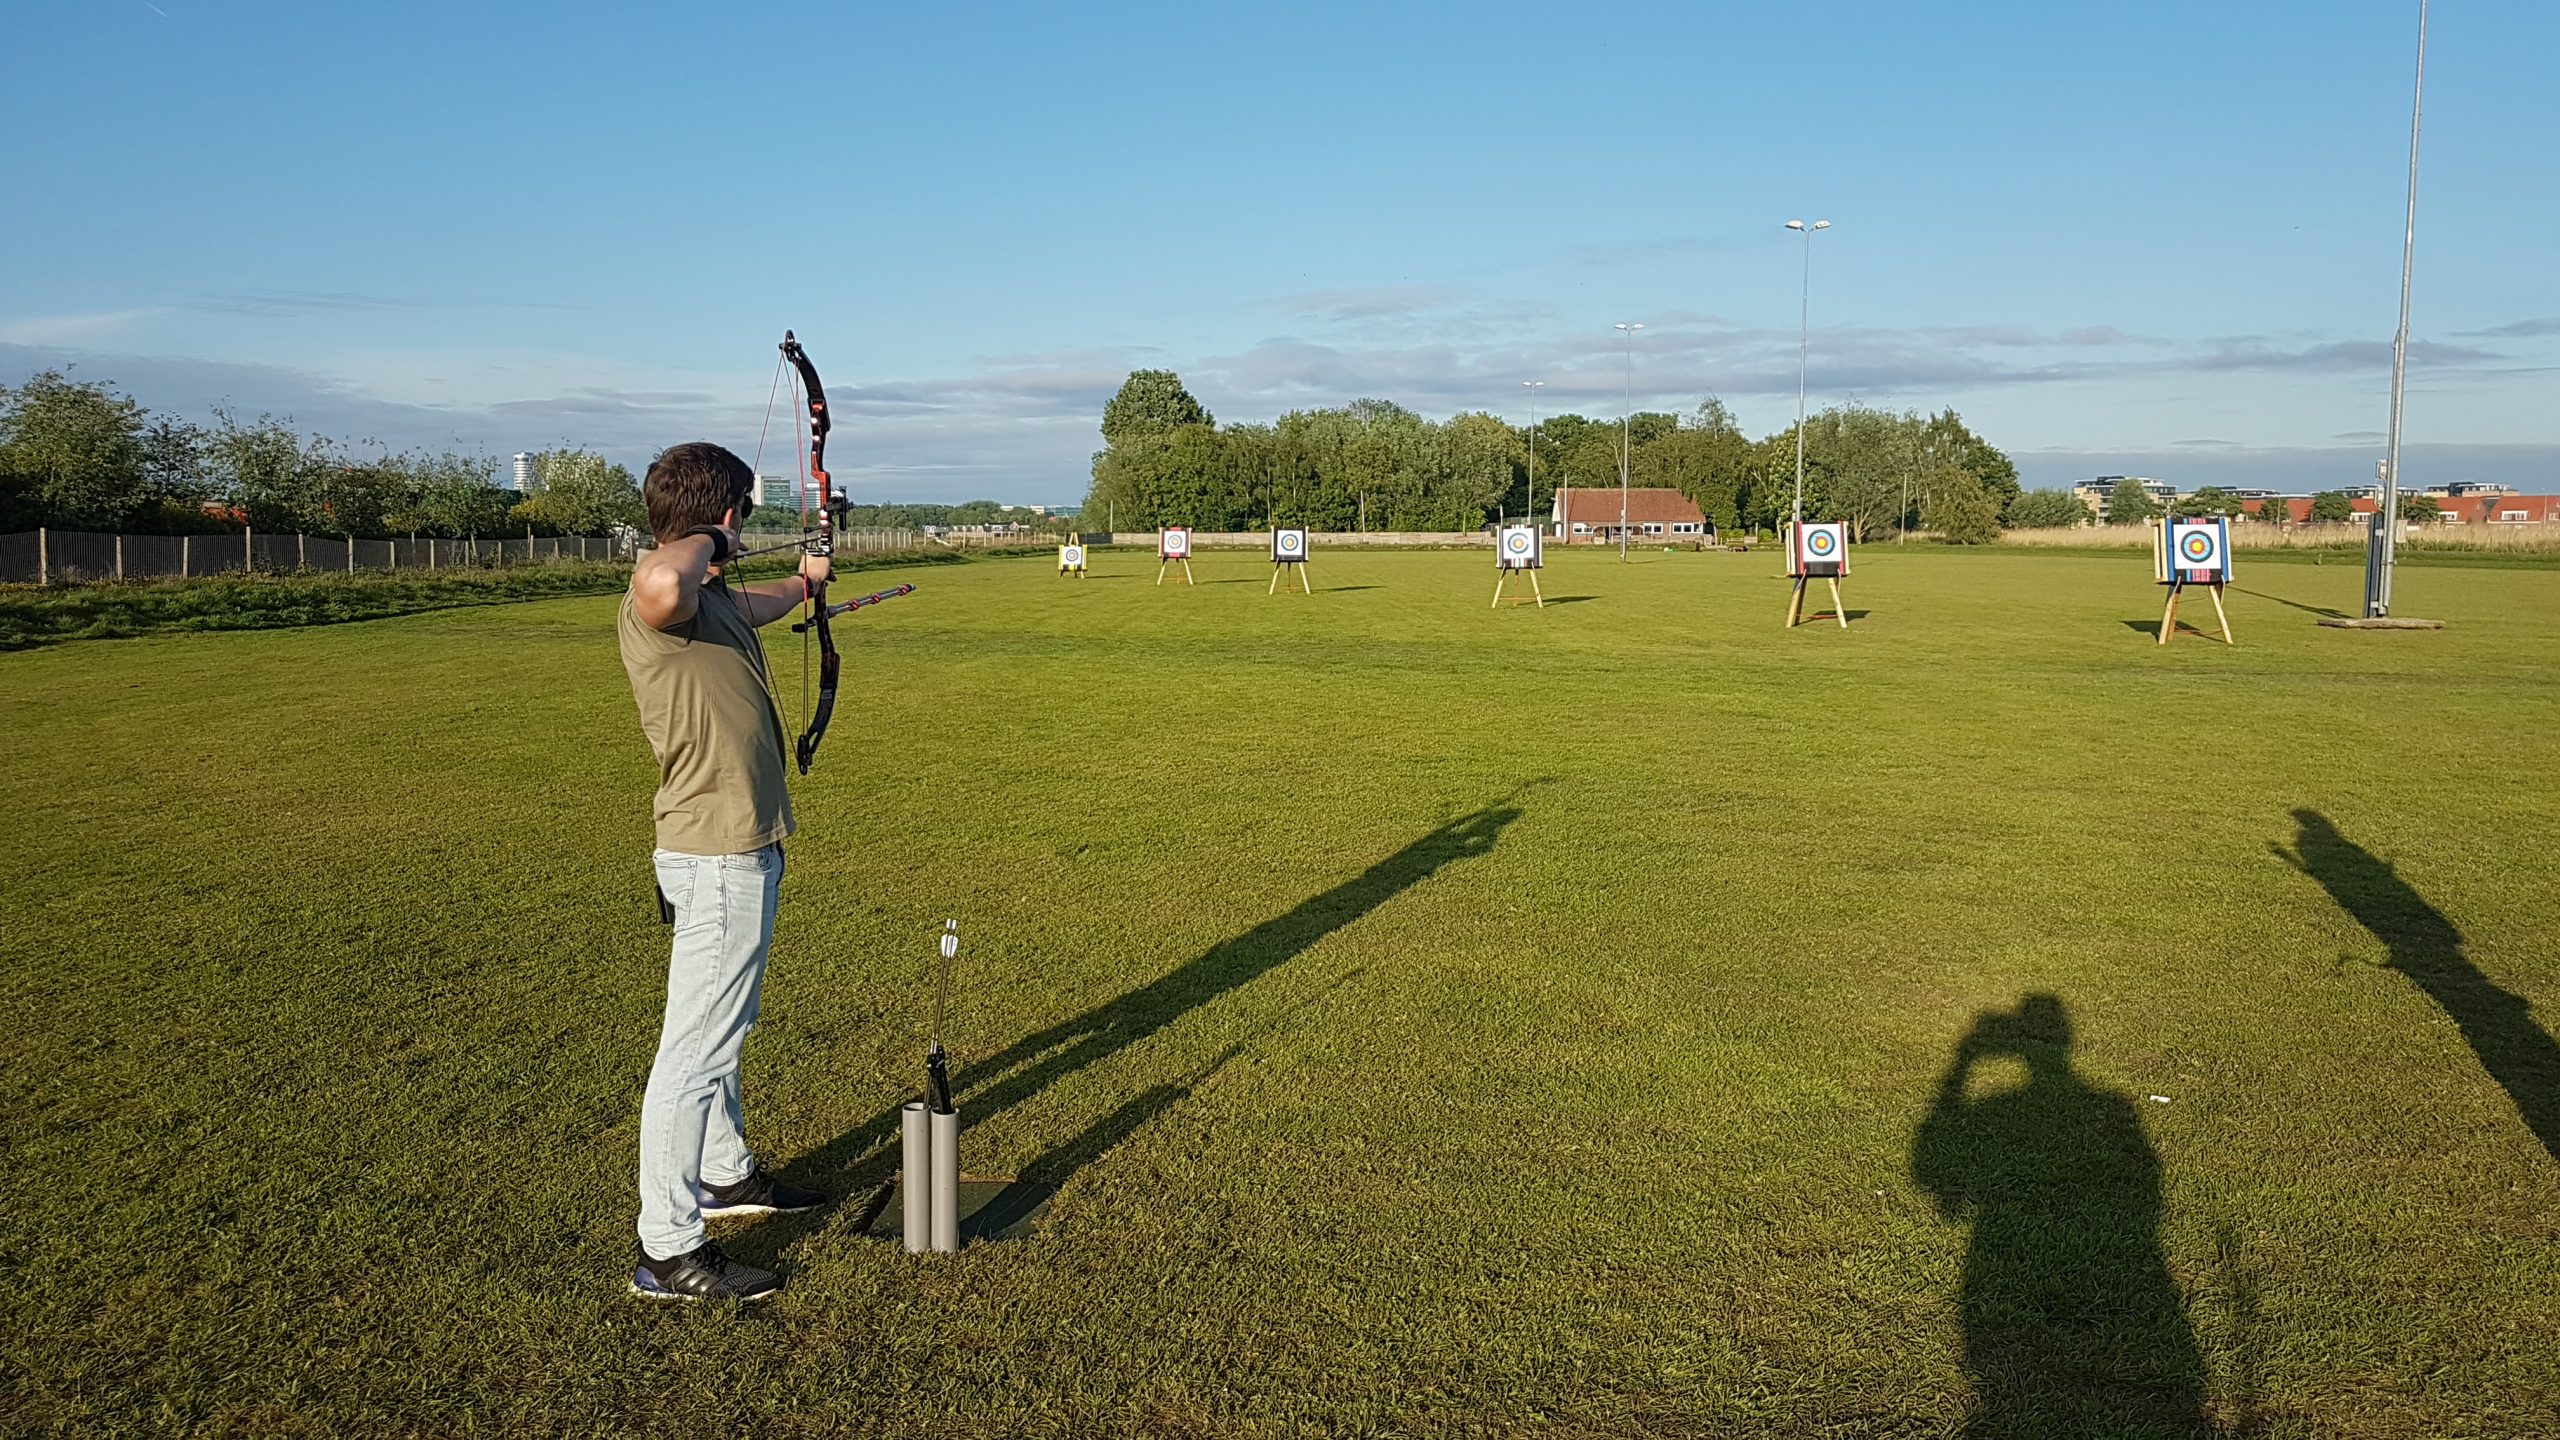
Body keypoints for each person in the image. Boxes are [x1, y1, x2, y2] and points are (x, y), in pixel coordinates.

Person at [616, 441, 832, 1302]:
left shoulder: (710, 598)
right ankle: (667, 1250)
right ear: (725, 514)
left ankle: (726, 1174)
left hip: (738, 844)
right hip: (715, 854)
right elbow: (662, 580)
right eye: (739, 511)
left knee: (723, 1029)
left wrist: (808, 583)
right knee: (696, 1050)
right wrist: (711, 535)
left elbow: (762, 600)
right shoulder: (659, 596)